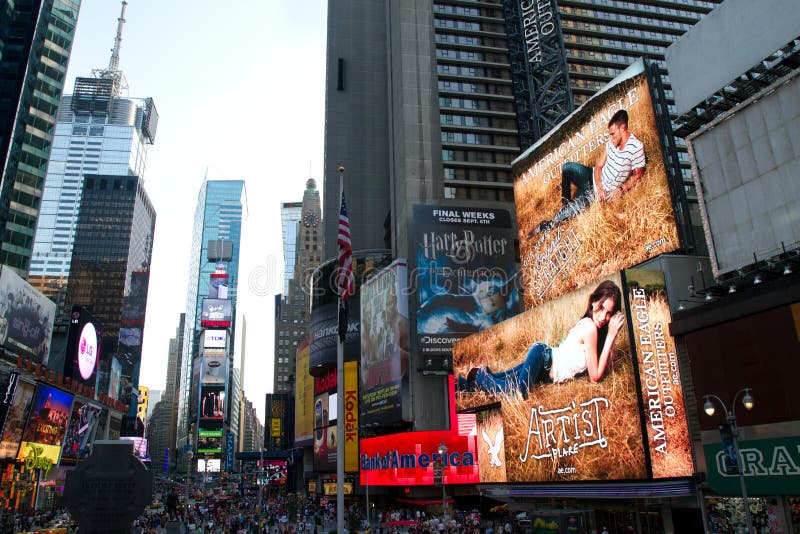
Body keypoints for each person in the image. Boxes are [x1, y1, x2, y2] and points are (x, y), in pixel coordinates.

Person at [457, 281, 625, 397]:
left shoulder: (594, 329)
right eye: (602, 307)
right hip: (543, 357)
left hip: (544, 366)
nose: (603, 316)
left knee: (503, 379)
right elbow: (595, 378)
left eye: (609, 313)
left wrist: (612, 335)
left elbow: (605, 370)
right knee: (519, 392)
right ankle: (480, 376)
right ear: (594, 301)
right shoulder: (590, 327)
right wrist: (610, 335)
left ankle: (462, 385)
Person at [532, 109, 646, 236]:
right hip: (591, 177)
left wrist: (620, 189)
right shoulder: (612, 142)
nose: (611, 138)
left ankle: (544, 226)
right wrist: (598, 184)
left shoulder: (636, 147)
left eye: (613, 134)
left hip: (597, 195)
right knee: (567, 167)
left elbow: (638, 175)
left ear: (623, 128)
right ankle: (565, 201)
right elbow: (598, 166)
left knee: (564, 215)